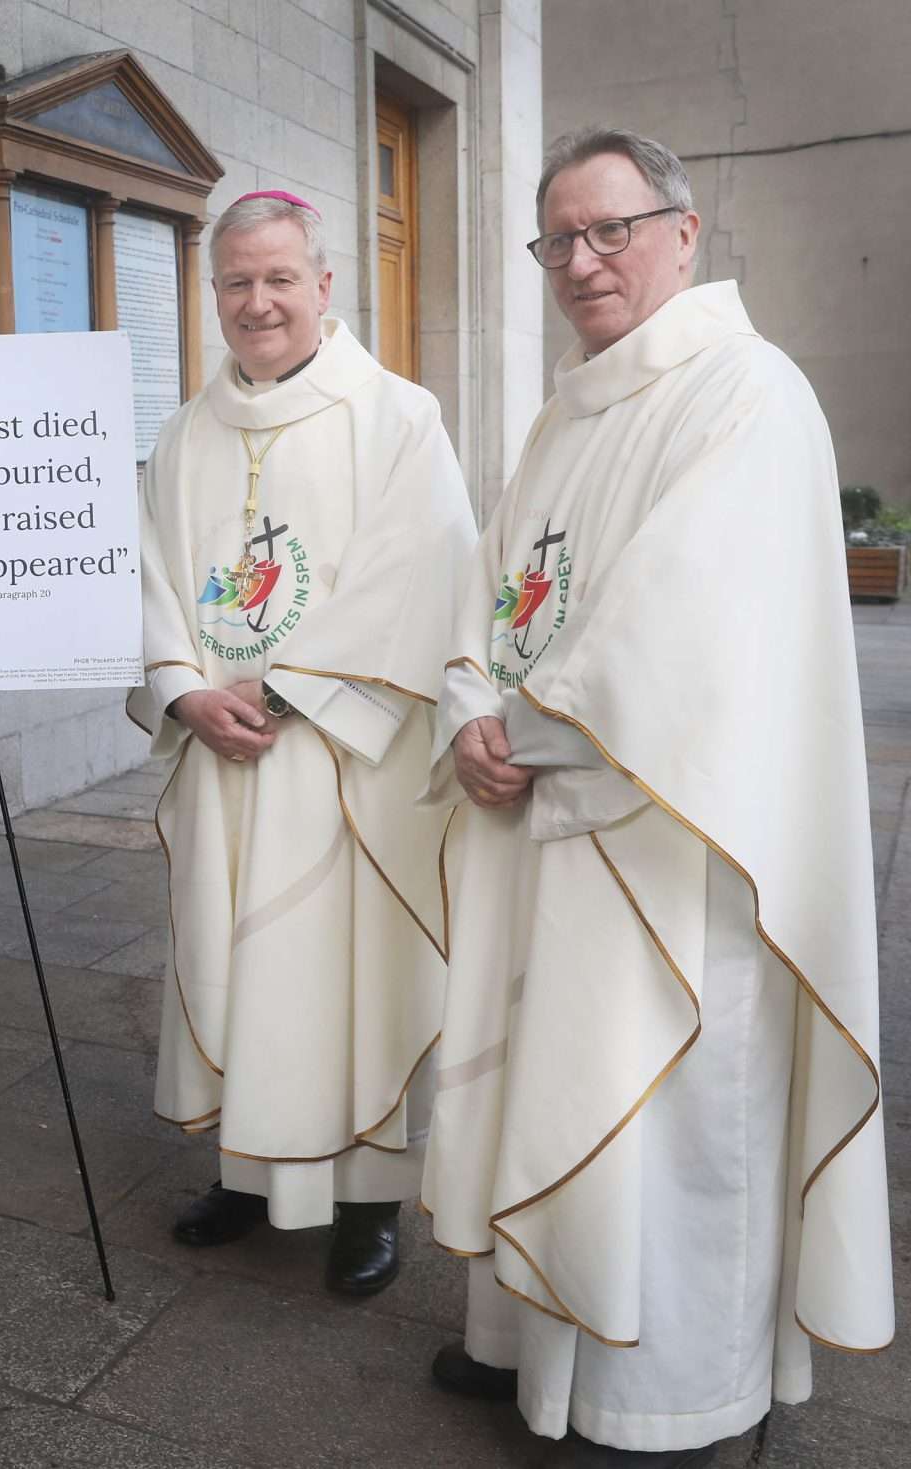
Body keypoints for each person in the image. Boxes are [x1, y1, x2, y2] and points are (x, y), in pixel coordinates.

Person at [420, 127, 892, 1467]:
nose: (583, 261)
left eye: (610, 230)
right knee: (542, 1080)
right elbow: (493, 591)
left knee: (662, 1117)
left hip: (669, 841)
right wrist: (467, 713)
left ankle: (663, 1395)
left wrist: (515, 728)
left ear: (683, 233)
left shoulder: (747, 391)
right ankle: (524, 1345)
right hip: (541, 817)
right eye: (558, 238)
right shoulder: (565, 410)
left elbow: (682, 628)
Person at [127, 190, 474, 1295]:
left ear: (325, 287)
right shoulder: (184, 431)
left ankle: (367, 1196)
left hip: (336, 761)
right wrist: (184, 690)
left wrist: (281, 690)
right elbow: (145, 576)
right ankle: (243, 1167)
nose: (258, 302)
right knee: (231, 956)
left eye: (281, 279)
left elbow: (421, 570)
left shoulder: (397, 416)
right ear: (213, 294)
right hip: (221, 758)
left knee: (344, 972)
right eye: (236, 283)